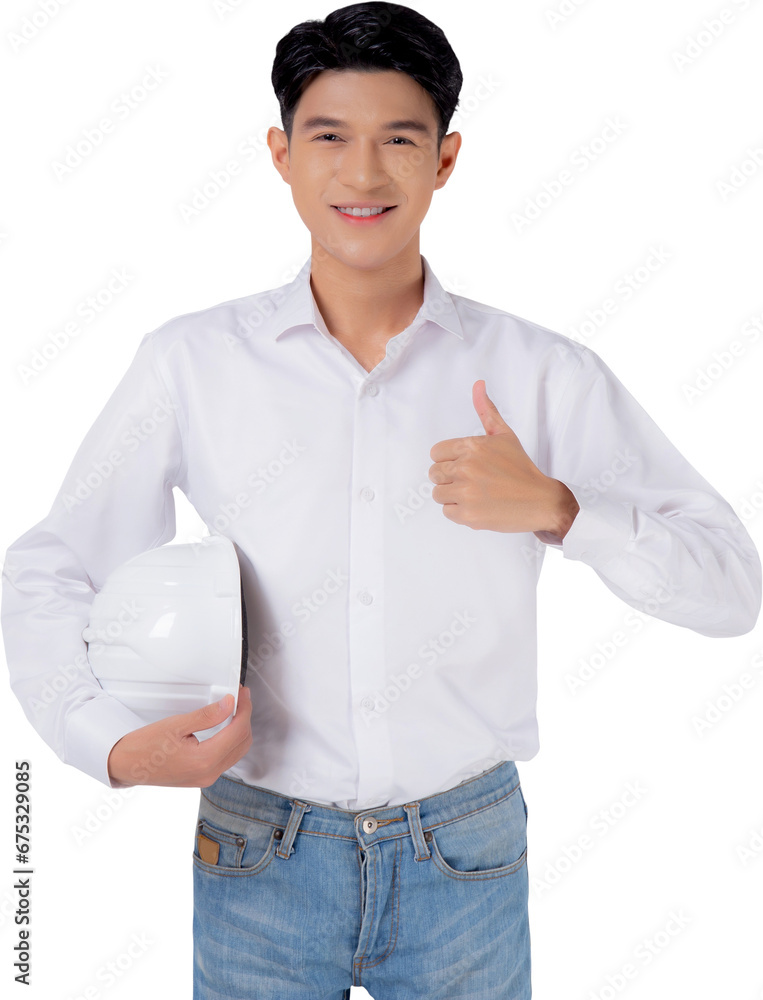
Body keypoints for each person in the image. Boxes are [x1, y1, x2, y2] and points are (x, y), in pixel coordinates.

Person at [2, 3, 760, 998]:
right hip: (257, 848)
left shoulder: (539, 374)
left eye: (398, 141)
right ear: (280, 154)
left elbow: (730, 587)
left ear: (444, 160)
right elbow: (52, 565)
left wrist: (563, 509)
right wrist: (104, 741)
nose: (362, 175)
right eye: (329, 138)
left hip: (466, 854)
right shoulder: (190, 364)